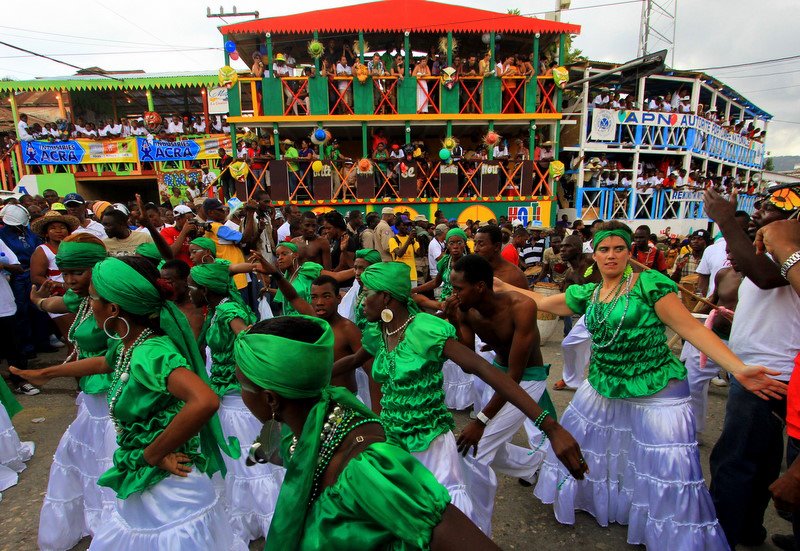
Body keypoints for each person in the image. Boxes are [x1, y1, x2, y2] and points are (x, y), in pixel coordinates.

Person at [497, 221, 785, 550]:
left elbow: (692, 329)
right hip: (606, 383)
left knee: (667, 468)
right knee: (586, 442)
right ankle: (603, 501)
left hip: (656, 385)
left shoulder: (649, 285)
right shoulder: (590, 293)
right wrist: (503, 287)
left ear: (628, 253)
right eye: (604, 249)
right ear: (595, 255)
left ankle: (674, 535)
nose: (611, 255)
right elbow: (544, 302)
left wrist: (739, 368)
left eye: (619, 248)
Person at [334, 262, 587, 534]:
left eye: (364, 293)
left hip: (432, 446)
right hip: (394, 443)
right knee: (402, 520)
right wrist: (306, 377)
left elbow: (486, 370)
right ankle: (529, 464)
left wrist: (550, 426)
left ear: (385, 297)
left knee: (446, 520)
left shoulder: (425, 330)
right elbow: (352, 360)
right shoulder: (377, 332)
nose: (359, 303)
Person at [13, 256, 243, 549]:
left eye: (93, 298)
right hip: (145, 476)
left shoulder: (150, 352)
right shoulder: (130, 343)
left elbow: (205, 400)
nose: (88, 304)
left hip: (168, 489)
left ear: (113, 308)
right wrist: (46, 372)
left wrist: (153, 454)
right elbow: (103, 363)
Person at [232, 315, 500, 550]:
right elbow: (271, 447)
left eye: (241, 385)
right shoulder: (317, 415)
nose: (241, 395)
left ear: (271, 400)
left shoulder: (365, 469)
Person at [704, 187, 800, 548]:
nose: (758, 214)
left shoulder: (790, 252)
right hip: (760, 370)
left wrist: (726, 220)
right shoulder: (773, 249)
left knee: (738, 460)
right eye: (758, 207)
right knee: (761, 461)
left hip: (769, 374)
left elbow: (763, 275)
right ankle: (746, 530)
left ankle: (722, 537)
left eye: (769, 210)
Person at [27, 234, 115, 549]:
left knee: (110, 464)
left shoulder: (115, 304)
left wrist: (49, 372)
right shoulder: (83, 299)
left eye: (77, 271)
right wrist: (36, 299)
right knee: (87, 461)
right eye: (65, 272)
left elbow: (109, 362)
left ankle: (114, 529)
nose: (69, 280)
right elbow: (51, 303)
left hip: (114, 400)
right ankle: (96, 520)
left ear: (99, 266)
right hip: (91, 399)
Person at [188, 262, 284, 544]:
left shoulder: (229, 310)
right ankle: (253, 516)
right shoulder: (219, 308)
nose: (189, 292)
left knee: (251, 461)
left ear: (204, 290)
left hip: (237, 396)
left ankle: (272, 521)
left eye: (192, 287)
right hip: (225, 393)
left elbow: (249, 338)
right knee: (244, 461)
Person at [447, 254, 554, 494]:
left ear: (480, 287)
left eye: (458, 289)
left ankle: (471, 515)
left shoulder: (521, 307)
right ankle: (533, 463)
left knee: (475, 448)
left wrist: (481, 420)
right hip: (497, 375)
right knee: (492, 442)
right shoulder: (466, 311)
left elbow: (515, 375)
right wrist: (454, 322)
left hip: (526, 380)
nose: (454, 295)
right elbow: (468, 365)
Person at [682, 245, 741, 434]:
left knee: (741, 395)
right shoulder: (724, 274)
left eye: (734, 250)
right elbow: (713, 300)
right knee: (692, 383)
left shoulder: (767, 278)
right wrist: (687, 322)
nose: (729, 256)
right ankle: (693, 430)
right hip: (715, 337)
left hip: (745, 343)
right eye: (728, 251)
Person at [552, 234, 598, 391]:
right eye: (562, 246)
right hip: (589, 316)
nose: (562, 249)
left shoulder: (593, 262)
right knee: (569, 344)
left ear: (579, 249)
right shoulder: (570, 274)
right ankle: (571, 378)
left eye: (567, 246)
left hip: (608, 313)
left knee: (596, 350)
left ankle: (596, 381)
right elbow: (565, 297)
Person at [30, 210, 79, 352]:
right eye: (53, 228)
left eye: (62, 227)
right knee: (74, 342)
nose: (59, 231)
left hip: (76, 295)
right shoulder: (42, 251)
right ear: (46, 233)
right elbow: (36, 276)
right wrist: (59, 285)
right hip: (58, 299)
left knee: (82, 341)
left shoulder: (72, 247)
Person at [473, 225, 528, 289]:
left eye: (481, 244)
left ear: (496, 246)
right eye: (475, 244)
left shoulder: (515, 276)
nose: (475, 249)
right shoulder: (474, 271)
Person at [389, 215, 420, 286]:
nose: (406, 227)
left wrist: (420, 241)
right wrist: (409, 239)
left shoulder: (412, 239)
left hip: (412, 275)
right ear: (397, 226)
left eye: (408, 225)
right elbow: (399, 254)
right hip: (399, 276)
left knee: (413, 296)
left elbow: (419, 253)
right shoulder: (393, 240)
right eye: (404, 225)